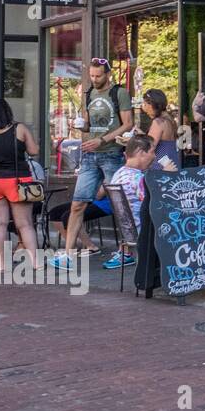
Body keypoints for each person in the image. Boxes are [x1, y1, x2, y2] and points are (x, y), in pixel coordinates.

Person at [56, 57, 135, 270]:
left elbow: (128, 124)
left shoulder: (119, 93)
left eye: (98, 75)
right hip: (90, 155)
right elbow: (88, 124)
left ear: (107, 74)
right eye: (91, 75)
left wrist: (103, 139)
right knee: (78, 203)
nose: (94, 79)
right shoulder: (89, 93)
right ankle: (68, 254)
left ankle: (126, 250)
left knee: (120, 204)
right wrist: (81, 126)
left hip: (112, 154)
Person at [97, 134, 174, 271]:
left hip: (127, 232)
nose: (155, 156)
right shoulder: (138, 178)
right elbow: (157, 205)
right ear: (140, 152)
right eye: (152, 152)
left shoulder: (118, 174)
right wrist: (168, 176)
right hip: (145, 231)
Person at [0, 97, 41, 272]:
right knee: (25, 224)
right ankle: (35, 262)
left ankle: (1, 264)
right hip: (17, 181)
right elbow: (34, 151)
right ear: (8, 111)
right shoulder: (19, 128)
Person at [141, 89, 180, 170]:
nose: (145, 110)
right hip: (172, 163)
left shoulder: (158, 122)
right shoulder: (170, 120)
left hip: (161, 166)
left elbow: (149, 147)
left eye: (145, 105)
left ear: (152, 104)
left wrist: (131, 142)